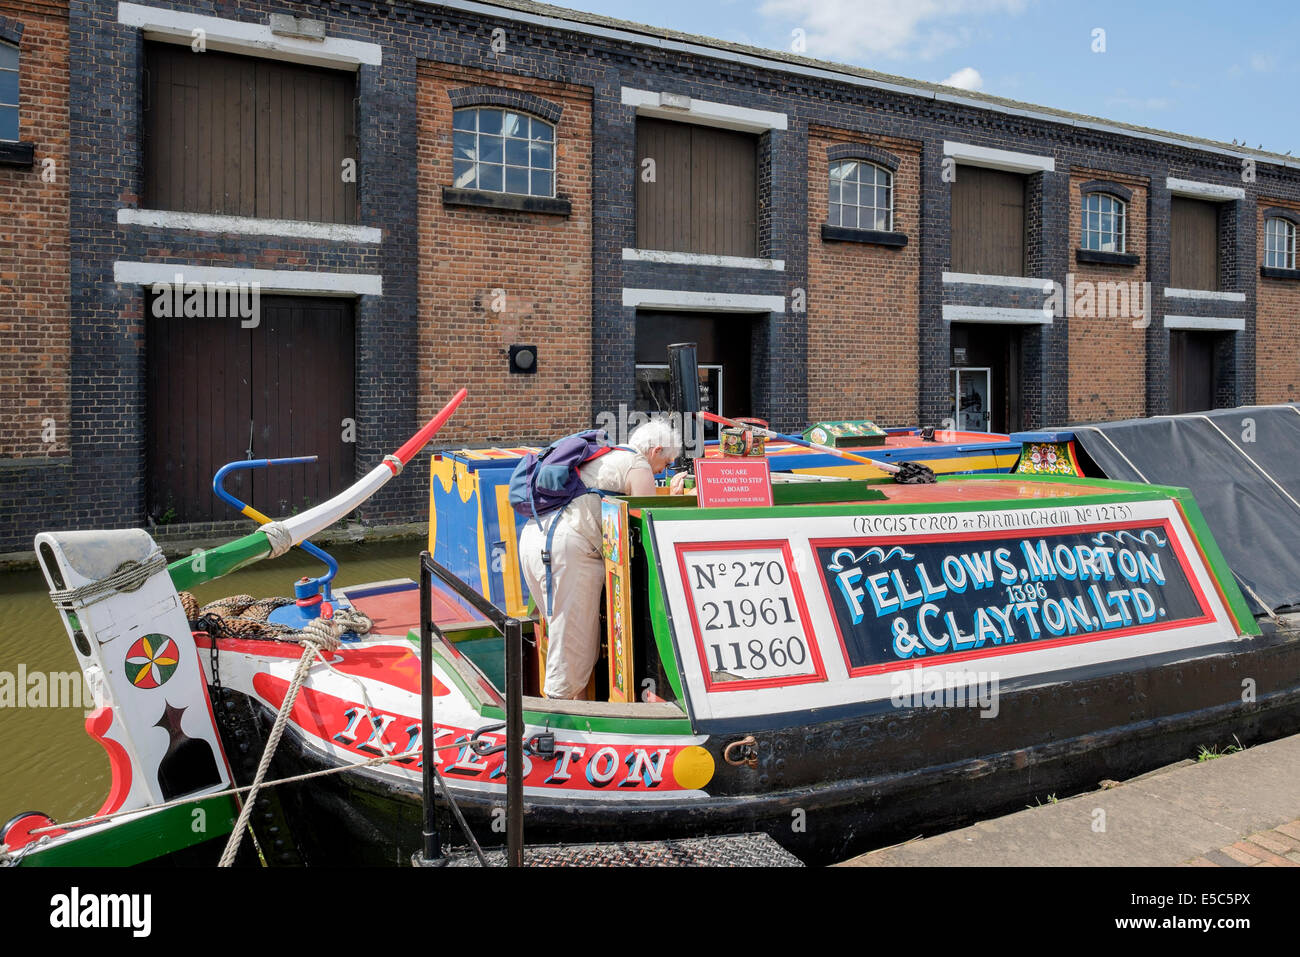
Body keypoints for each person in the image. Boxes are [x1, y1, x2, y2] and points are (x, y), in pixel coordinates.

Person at [518, 418, 684, 699]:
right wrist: (679, 496)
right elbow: (648, 516)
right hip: (568, 551)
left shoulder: (609, 454)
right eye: (666, 464)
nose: (662, 471)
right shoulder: (639, 465)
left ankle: (578, 708)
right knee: (575, 644)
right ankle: (559, 723)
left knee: (561, 634)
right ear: (655, 451)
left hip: (536, 538)